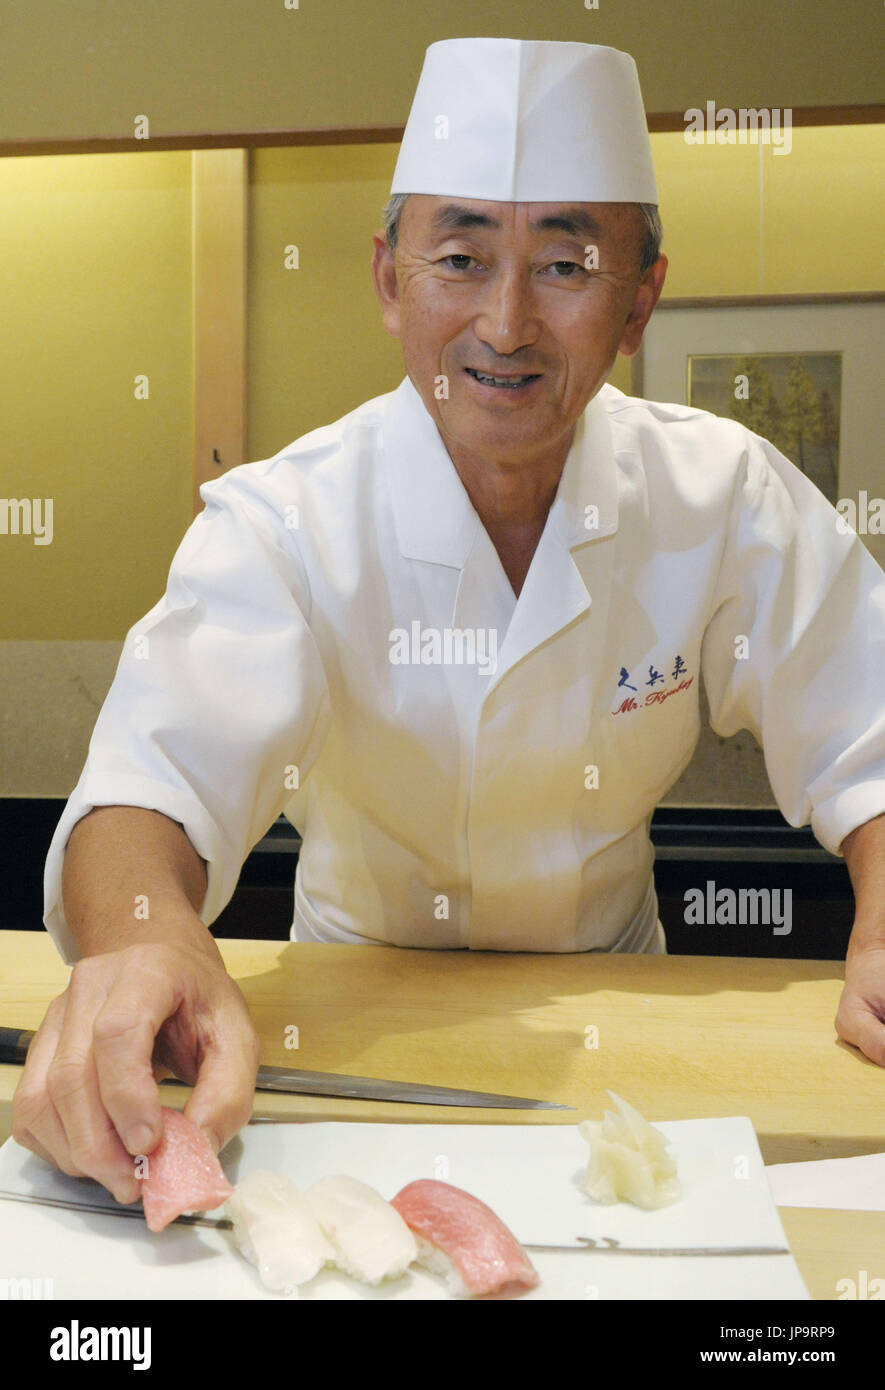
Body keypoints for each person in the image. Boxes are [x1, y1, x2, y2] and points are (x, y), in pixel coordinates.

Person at [13, 39, 885, 1205]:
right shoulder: (290, 518)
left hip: (628, 1020)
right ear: (388, 280)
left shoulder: (722, 495)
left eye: (568, 265)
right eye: (461, 258)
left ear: (642, 300)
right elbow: (150, 784)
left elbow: (866, 728)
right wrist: (145, 940)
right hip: (339, 1029)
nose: (508, 323)